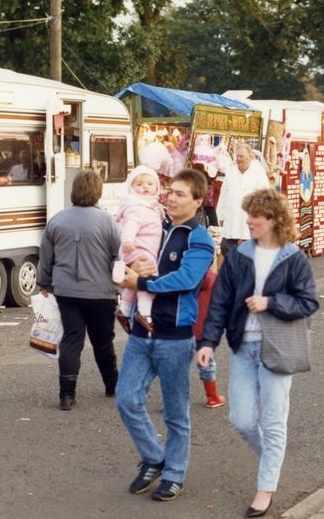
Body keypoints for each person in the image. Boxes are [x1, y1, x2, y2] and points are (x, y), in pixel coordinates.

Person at [196, 188, 319, 518]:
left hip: (277, 347)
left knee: (274, 422)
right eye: (248, 214)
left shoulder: (294, 257)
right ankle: (272, 461)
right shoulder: (238, 256)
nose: (248, 221)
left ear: (274, 220)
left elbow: (309, 302)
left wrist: (271, 303)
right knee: (242, 419)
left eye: (255, 216)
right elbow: (220, 301)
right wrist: (208, 342)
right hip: (243, 347)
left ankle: (265, 488)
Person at [116, 169, 216, 501]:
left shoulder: (198, 238)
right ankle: (155, 458)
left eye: (181, 194)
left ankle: (174, 473)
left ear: (198, 201)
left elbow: (187, 280)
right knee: (126, 399)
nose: (171, 198)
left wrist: (141, 283)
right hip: (141, 333)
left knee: (176, 413)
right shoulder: (155, 225)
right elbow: (124, 261)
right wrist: (130, 270)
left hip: (175, 337)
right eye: (170, 192)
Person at [36, 170, 120, 410]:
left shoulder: (58, 220)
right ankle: (112, 384)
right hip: (100, 291)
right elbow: (119, 256)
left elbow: (46, 256)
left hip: (66, 290)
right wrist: (120, 282)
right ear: (98, 191)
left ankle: (67, 394)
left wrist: (45, 282)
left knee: (72, 339)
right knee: (103, 340)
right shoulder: (107, 221)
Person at [114, 165, 164, 332]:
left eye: (150, 184)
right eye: (140, 184)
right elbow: (131, 224)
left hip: (140, 248)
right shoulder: (138, 206)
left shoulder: (151, 206)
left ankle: (125, 310)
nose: (145, 187)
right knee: (148, 276)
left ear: (157, 187)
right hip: (138, 249)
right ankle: (144, 312)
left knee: (135, 282)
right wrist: (128, 240)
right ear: (131, 187)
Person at [216, 142, 269, 256]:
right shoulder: (231, 171)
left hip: (250, 222)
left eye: (242, 157)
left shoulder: (259, 172)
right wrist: (220, 215)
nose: (239, 159)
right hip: (231, 220)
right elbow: (224, 194)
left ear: (250, 157)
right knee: (226, 248)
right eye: (237, 156)